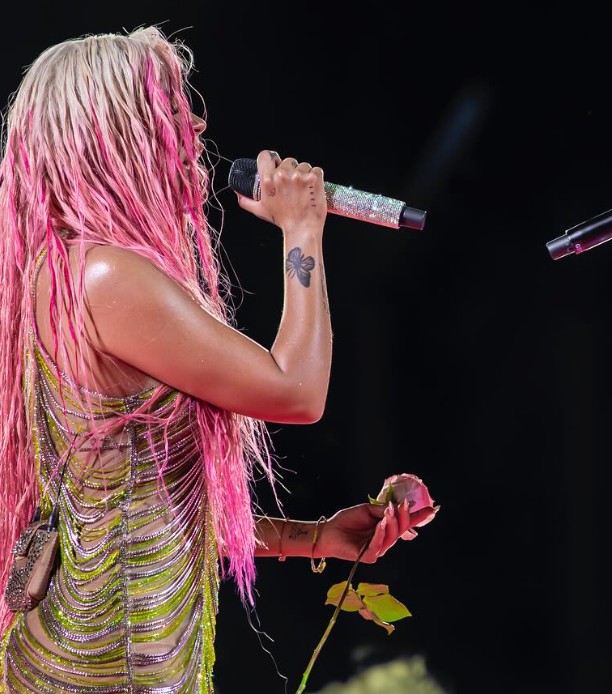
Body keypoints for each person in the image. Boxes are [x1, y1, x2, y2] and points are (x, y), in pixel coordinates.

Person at [0, 27, 431, 692]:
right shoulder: (106, 279)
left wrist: (317, 537)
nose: (196, 121)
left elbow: (140, 511)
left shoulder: (70, 273)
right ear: (116, 134)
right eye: (170, 108)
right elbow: (297, 392)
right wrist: (303, 230)